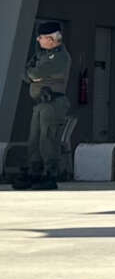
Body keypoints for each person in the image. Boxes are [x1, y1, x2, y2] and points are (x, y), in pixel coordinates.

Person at [18, 22, 71, 190]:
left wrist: (36, 75)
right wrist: (35, 76)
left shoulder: (61, 56)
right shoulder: (40, 55)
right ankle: (35, 172)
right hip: (40, 103)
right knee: (34, 140)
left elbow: (34, 73)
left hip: (53, 103)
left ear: (50, 39)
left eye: (41, 37)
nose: (38, 40)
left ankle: (50, 173)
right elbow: (26, 74)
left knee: (48, 139)